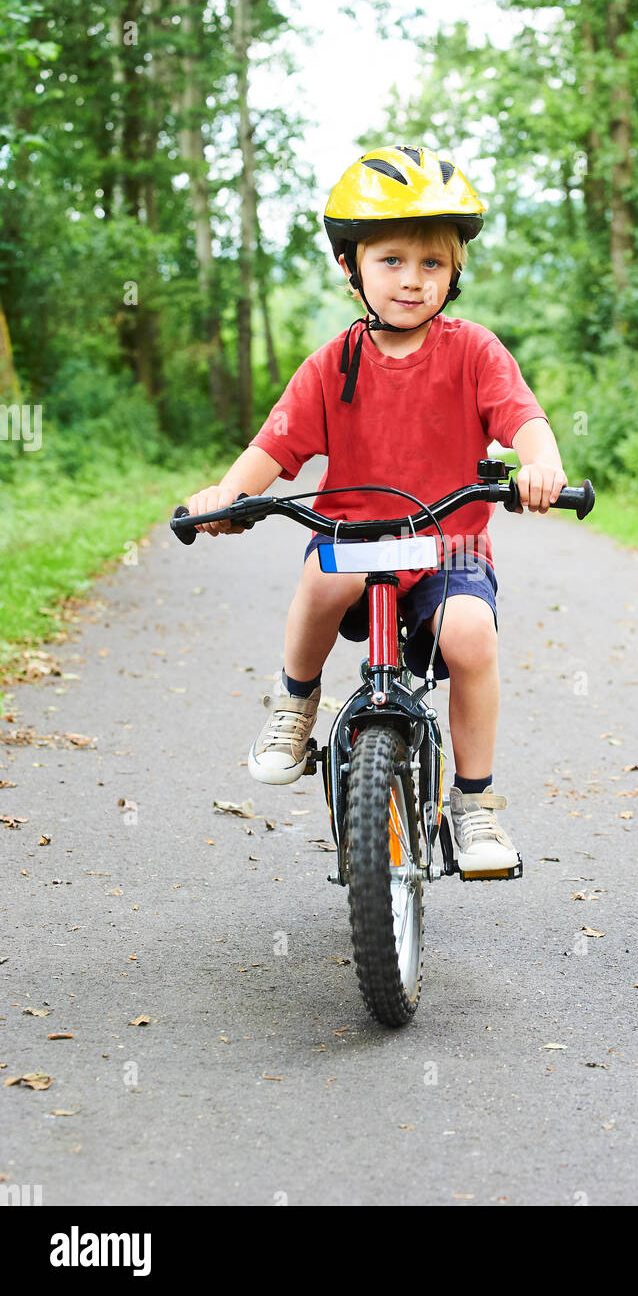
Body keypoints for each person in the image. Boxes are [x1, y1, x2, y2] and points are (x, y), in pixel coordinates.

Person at [185, 144, 568, 873]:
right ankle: (297, 704)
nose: (412, 280)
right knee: (325, 577)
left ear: (455, 273)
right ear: (350, 267)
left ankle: (476, 806)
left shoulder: (473, 351)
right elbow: (274, 446)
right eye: (391, 260)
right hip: (350, 538)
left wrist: (540, 465)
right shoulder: (334, 361)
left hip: (446, 546)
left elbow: (522, 418)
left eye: (432, 264)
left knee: (470, 637)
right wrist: (227, 499)